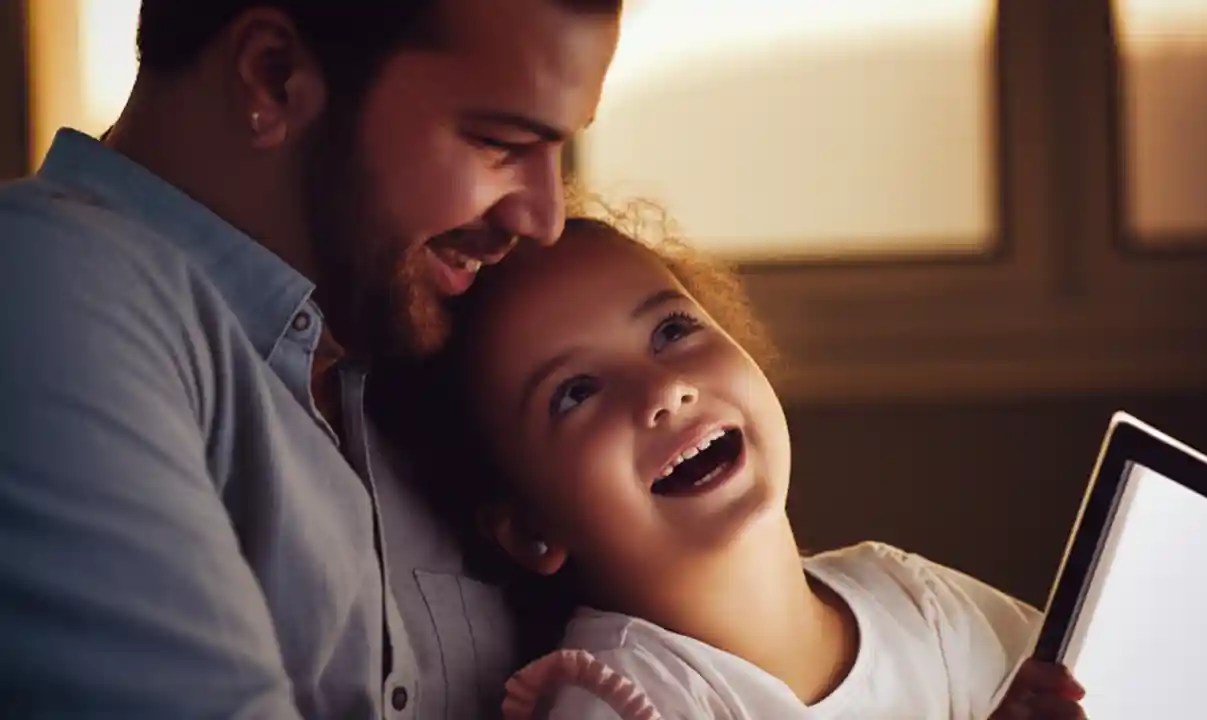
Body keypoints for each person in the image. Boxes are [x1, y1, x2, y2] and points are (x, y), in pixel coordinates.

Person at [0, 1, 619, 717]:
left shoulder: (424, 329)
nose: (542, 220)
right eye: (500, 142)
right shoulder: (41, 286)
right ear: (274, 77)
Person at [409, 208, 1088, 719]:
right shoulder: (616, 701)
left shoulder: (916, 600)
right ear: (531, 528)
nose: (663, 391)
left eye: (672, 331)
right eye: (576, 393)